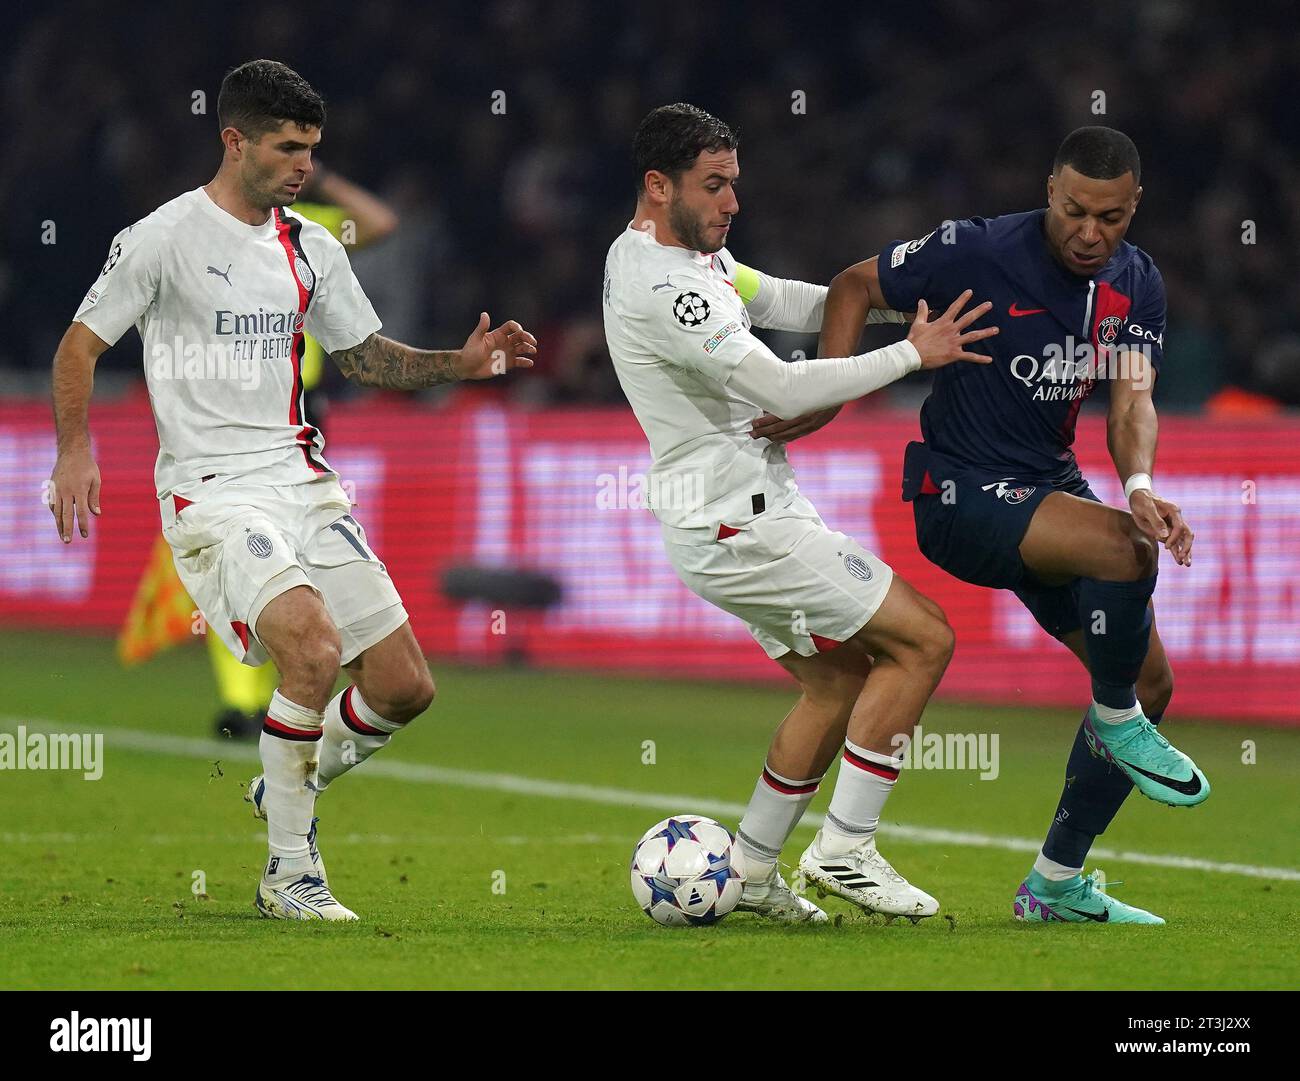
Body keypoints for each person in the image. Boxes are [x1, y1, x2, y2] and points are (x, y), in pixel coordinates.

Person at [49, 59, 536, 921]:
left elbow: (364, 356)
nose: (304, 165)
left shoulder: (311, 244)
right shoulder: (161, 238)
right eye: (287, 148)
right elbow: (79, 346)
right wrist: (74, 451)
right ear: (234, 140)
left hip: (304, 483)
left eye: (312, 148)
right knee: (310, 650)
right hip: (213, 490)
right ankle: (288, 872)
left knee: (403, 686)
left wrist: (460, 364)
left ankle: (282, 782)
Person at [604, 104, 997, 922]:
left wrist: (892, 307)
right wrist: (909, 356)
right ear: (657, 184)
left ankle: (745, 872)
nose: (732, 202)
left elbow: (777, 297)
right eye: (714, 186)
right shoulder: (666, 285)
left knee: (837, 684)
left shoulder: (672, 253)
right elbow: (781, 388)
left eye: (734, 184)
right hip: (737, 524)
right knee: (925, 637)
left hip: (735, 512)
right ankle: (847, 846)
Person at [816, 126, 1207, 924]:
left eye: (1111, 217)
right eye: (1074, 211)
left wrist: (1137, 481)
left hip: (1042, 492)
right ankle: (1119, 723)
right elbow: (852, 284)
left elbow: (1132, 396)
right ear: (1049, 190)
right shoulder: (976, 249)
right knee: (1126, 555)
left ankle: (1055, 884)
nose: (1090, 233)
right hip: (956, 492)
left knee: (1148, 679)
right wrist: (827, 392)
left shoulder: (1136, 283)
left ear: (1136, 208)